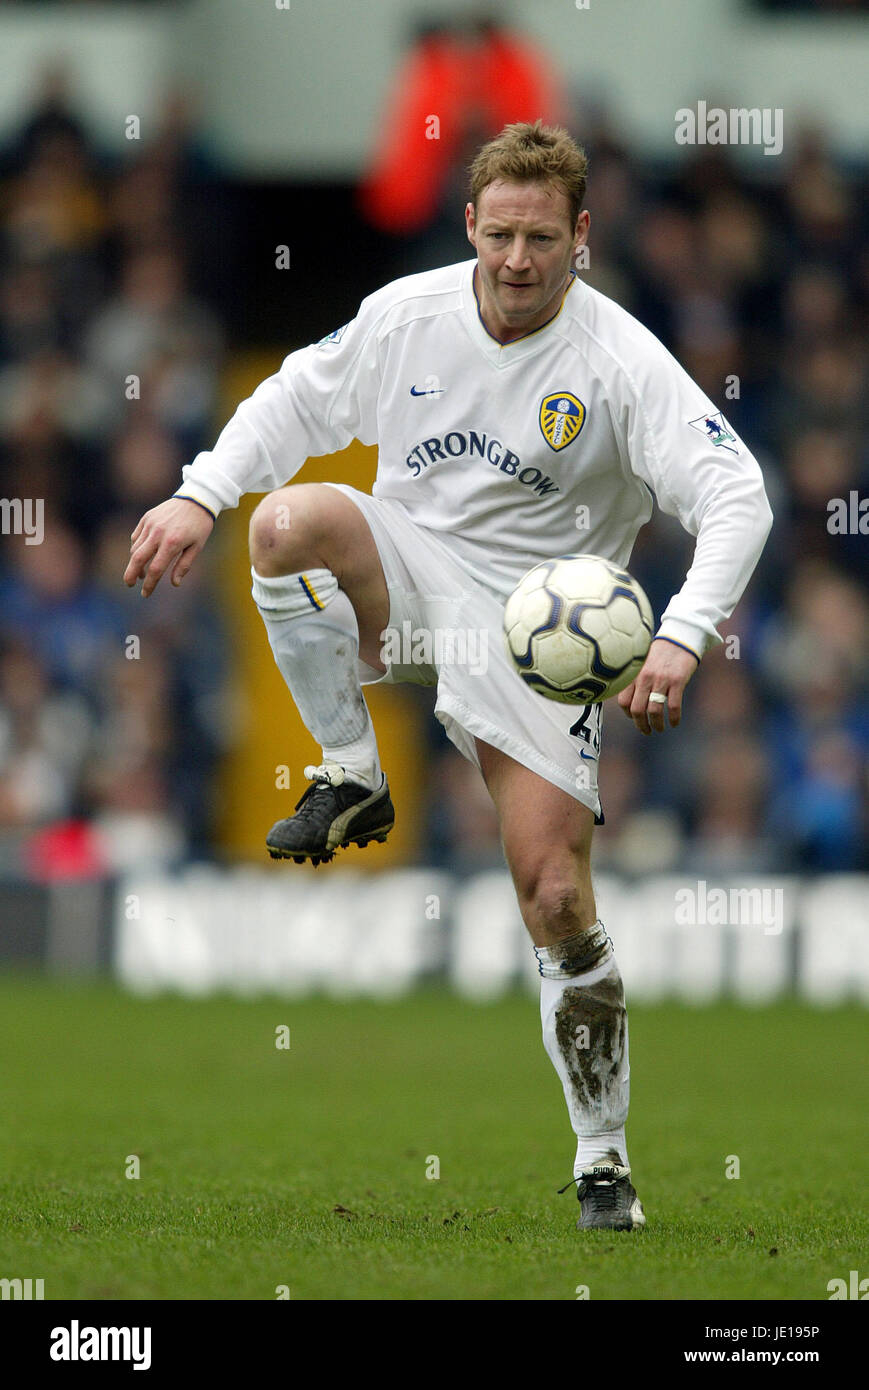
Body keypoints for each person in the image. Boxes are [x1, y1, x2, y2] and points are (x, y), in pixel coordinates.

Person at [124, 121, 773, 1231]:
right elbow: (291, 401)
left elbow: (736, 496)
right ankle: (350, 771)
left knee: (556, 898)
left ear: (581, 237)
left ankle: (600, 1158)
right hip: (413, 574)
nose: (516, 261)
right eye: (498, 235)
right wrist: (198, 492)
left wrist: (681, 633)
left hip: (537, 637)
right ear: (468, 223)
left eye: (540, 239)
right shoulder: (405, 317)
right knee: (281, 523)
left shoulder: (617, 362)